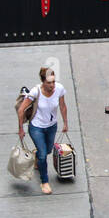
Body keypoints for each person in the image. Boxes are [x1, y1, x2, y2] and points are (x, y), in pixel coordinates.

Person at [17, 66, 69, 195]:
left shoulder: (59, 89)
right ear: (43, 81)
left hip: (51, 126)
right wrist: (21, 129)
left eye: (53, 82)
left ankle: (37, 157)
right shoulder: (35, 92)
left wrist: (65, 122)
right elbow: (21, 110)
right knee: (42, 154)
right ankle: (44, 181)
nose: (52, 85)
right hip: (36, 127)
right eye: (49, 82)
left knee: (48, 150)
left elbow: (62, 106)